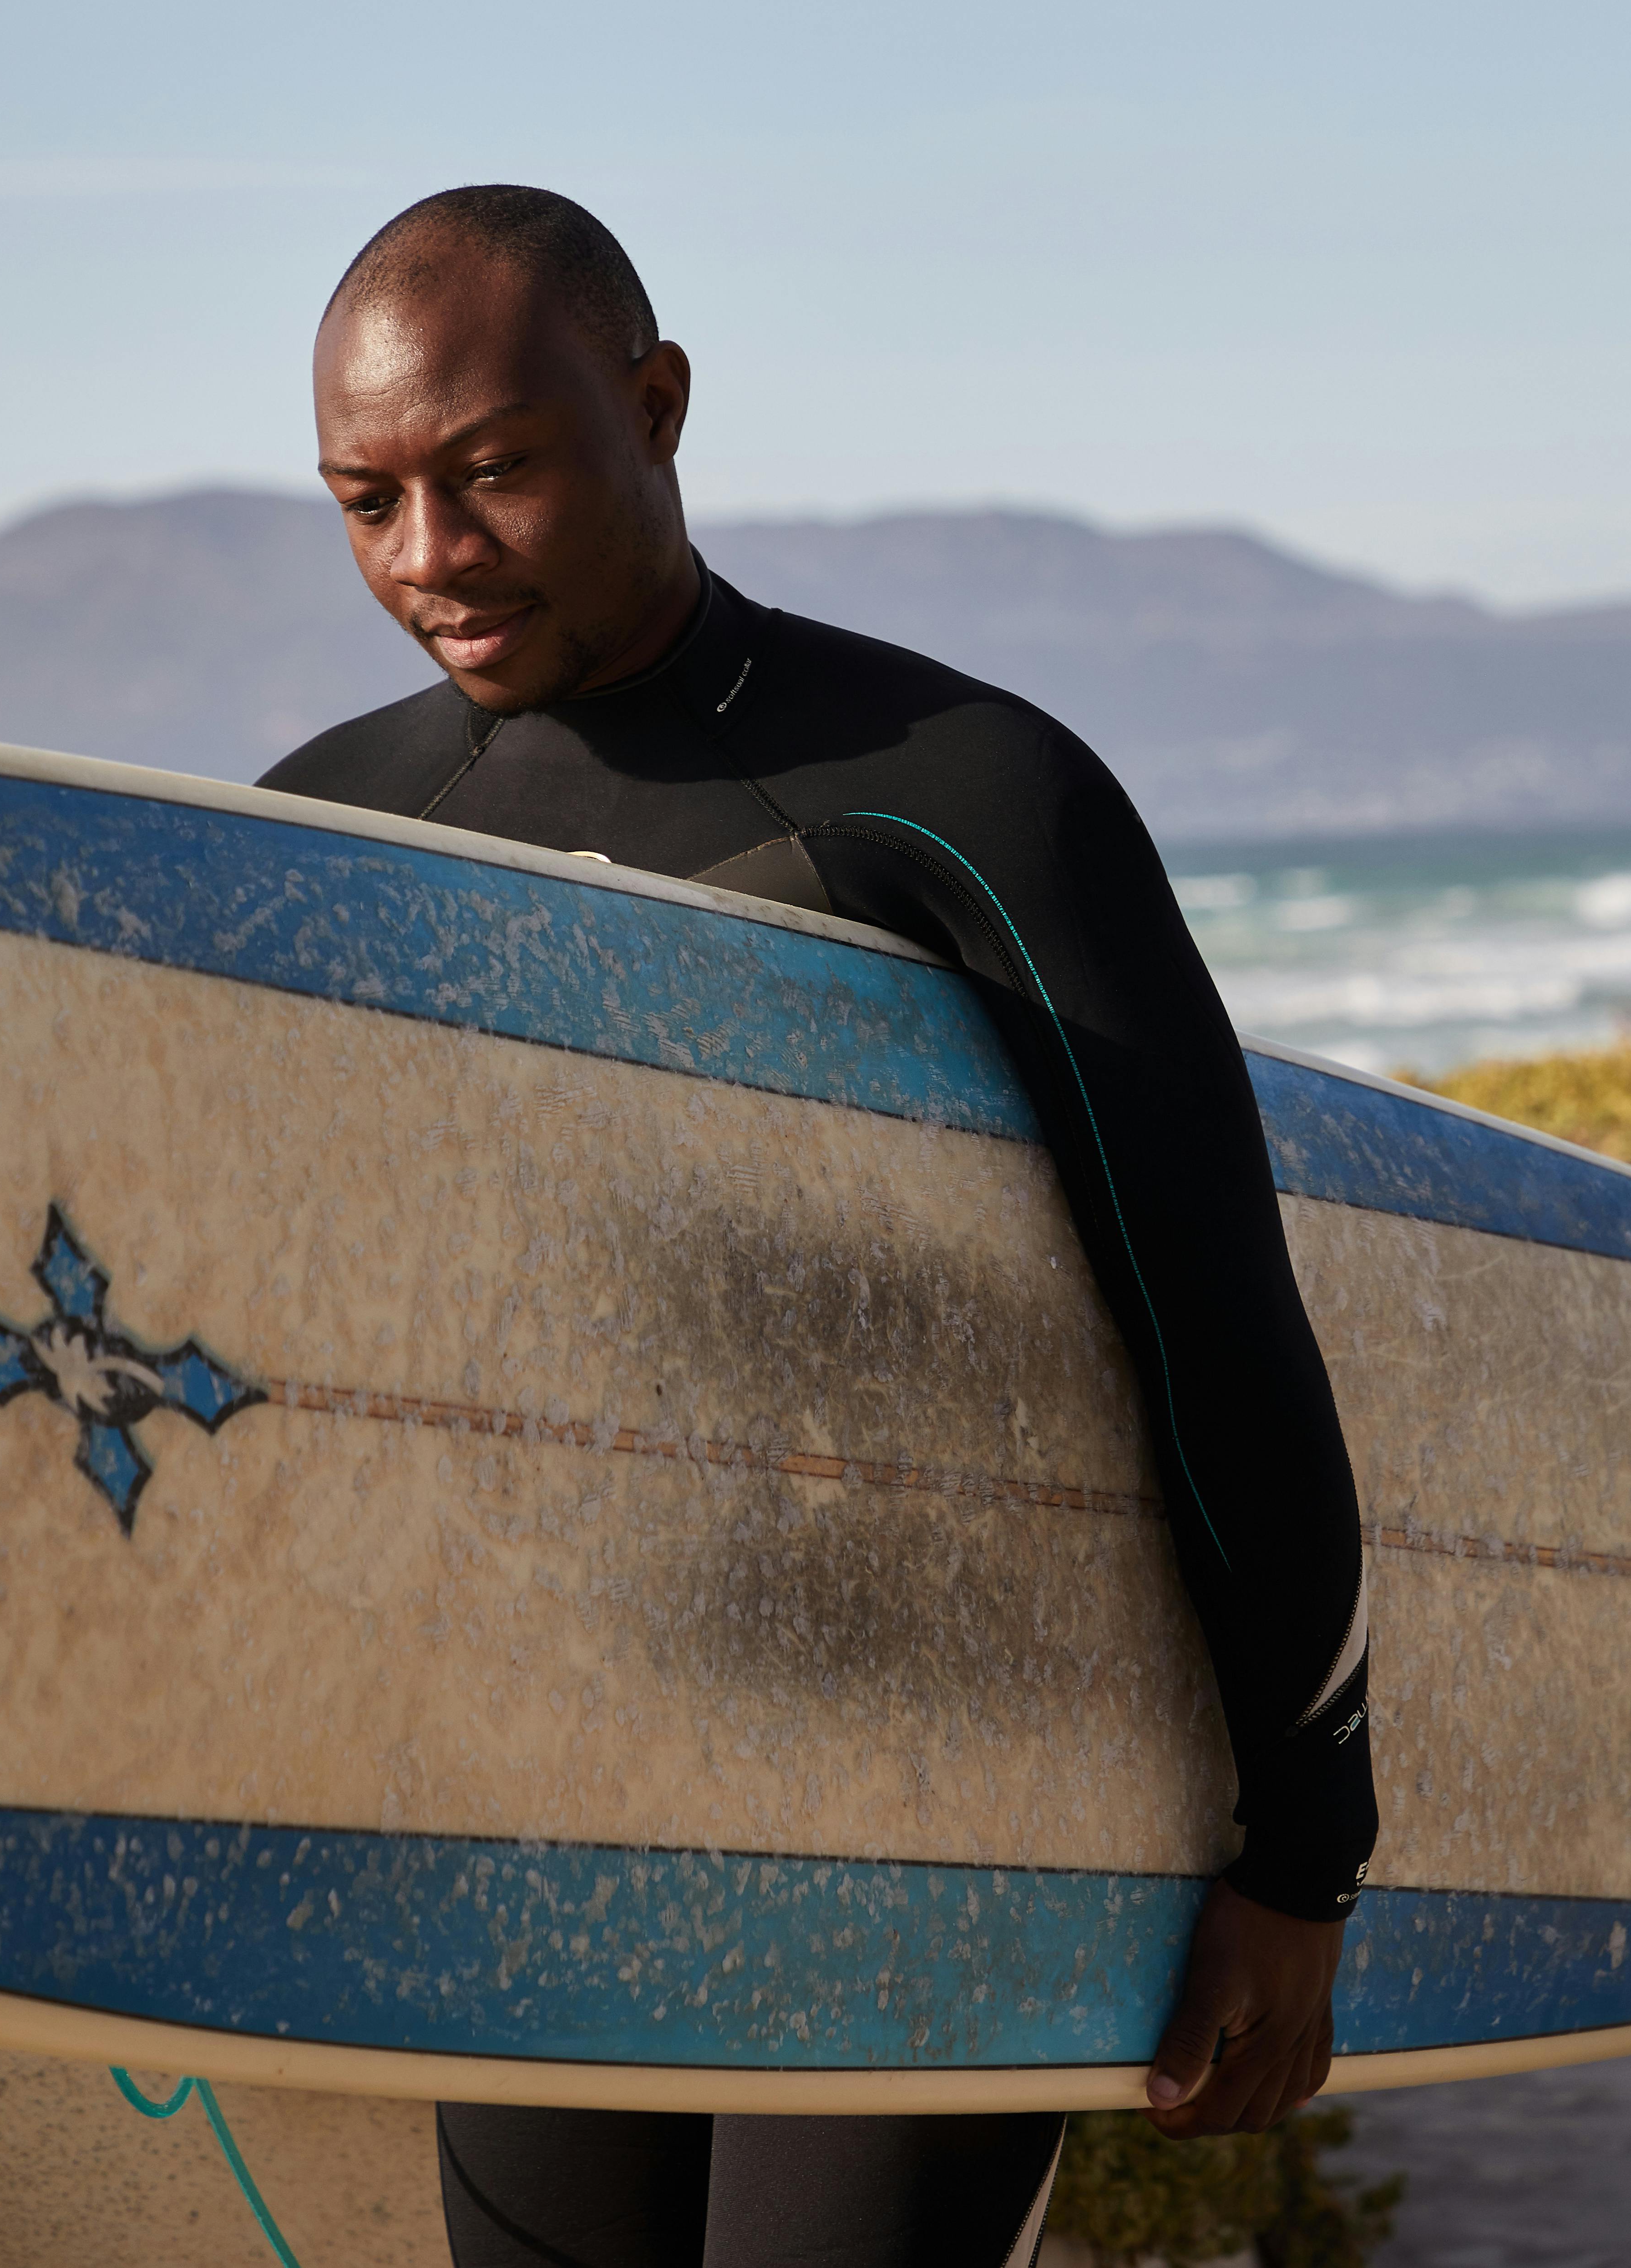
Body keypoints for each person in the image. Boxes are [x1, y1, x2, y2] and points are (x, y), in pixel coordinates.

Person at [262, 185, 1378, 2268]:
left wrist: (1298, 1855)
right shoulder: (319, 829)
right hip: (533, 1808)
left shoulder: (959, 792)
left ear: (657, 404)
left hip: (935, 1806)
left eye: (492, 471)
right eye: (367, 501)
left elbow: (1207, 1324)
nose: (430, 560)